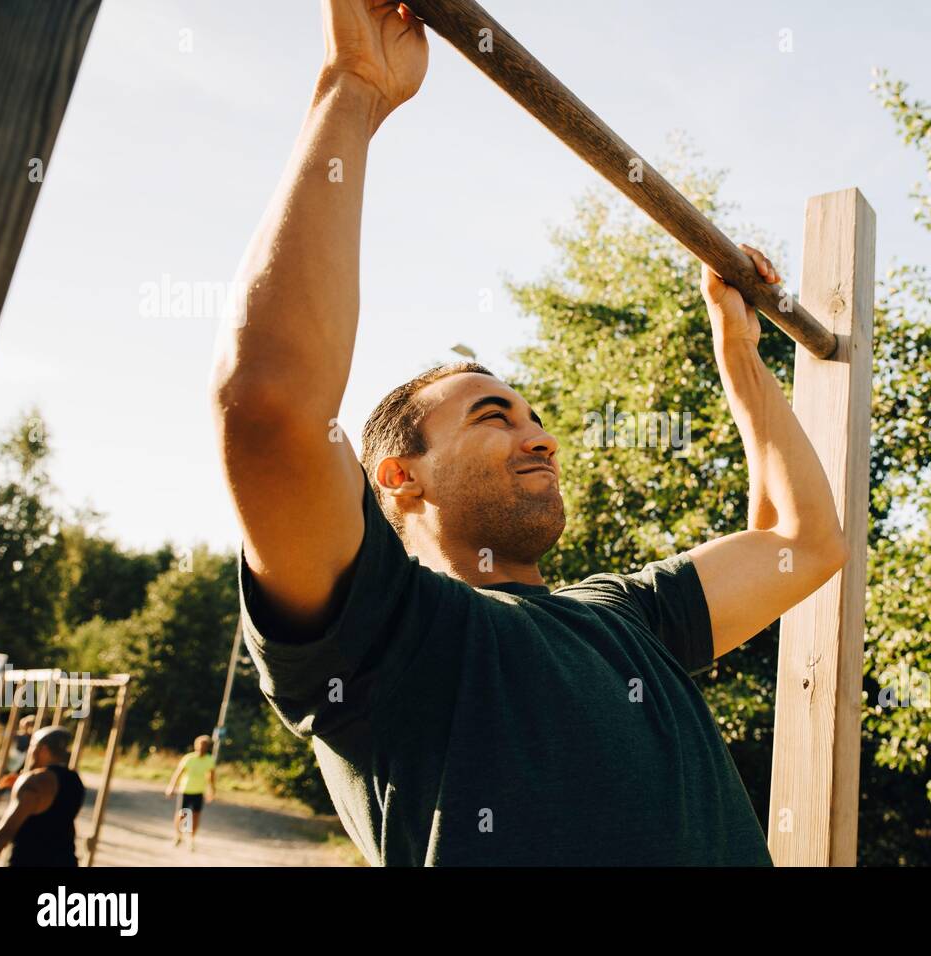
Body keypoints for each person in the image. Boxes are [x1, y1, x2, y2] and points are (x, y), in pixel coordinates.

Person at [207, 0, 849, 866]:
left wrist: (739, 355)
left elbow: (803, 541)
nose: (541, 437)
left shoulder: (629, 619)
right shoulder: (390, 633)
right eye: (493, 415)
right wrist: (351, 89)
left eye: (537, 417)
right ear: (397, 476)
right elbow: (268, 408)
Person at [0, 726, 86, 866]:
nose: (29, 751)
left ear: (43, 750)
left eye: (32, 745)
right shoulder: (75, 780)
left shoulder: (34, 781)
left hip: (29, 861)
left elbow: (7, 830)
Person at [163, 735, 216, 851]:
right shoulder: (188, 758)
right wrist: (171, 787)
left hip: (198, 791)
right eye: (200, 745)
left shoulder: (209, 760)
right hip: (185, 790)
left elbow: (211, 777)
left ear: (207, 747)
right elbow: (178, 773)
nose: (202, 748)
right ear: (196, 746)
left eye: (205, 746)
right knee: (182, 815)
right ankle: (178, 835)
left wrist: (212, 790)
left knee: (195, 816)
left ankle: (191, 839)